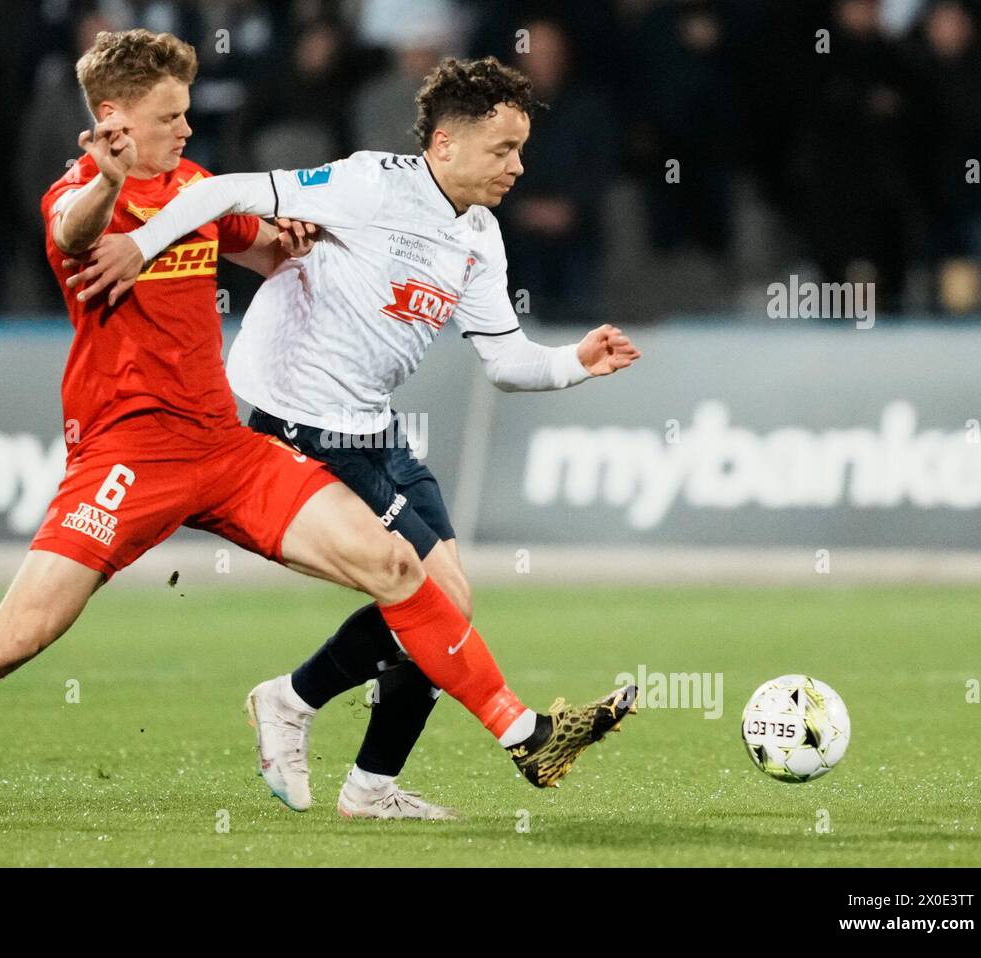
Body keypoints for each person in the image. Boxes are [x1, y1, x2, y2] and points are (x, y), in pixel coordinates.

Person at [0, 32, 635, 829]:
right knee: (16, 636)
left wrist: (290, 241)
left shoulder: (190, 190)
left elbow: (256, 239)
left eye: (186, 113)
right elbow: (74, 230)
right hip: (126, 458)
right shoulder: (78, 194)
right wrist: (108, 187)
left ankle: (522, 736)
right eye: (170, 116)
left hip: (224, 448)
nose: (186, 129)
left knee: (400, 568)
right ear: (113, 121)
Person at [65, 55, 641, 819]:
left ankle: (352, 766)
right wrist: (140, 247)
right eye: (503, 149)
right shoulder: (371, 183)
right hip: (299, 421)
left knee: (447, 606)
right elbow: (226, 191)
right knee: (431, 598)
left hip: (374, 427)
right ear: (444, 144)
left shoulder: (479, 236)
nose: (518, 166)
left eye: (521, 149)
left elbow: (504, 360)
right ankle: (432, 727)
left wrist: (575, 363)